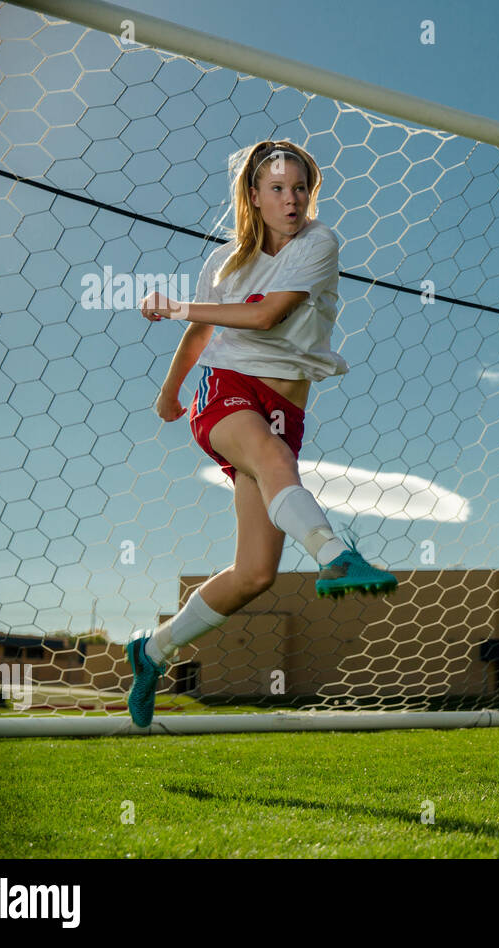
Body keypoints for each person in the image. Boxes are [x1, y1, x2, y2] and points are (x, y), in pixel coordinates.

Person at [128, 139, 395, 728]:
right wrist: (171, 392)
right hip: (227, 390)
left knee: (255, 574)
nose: (291, 199)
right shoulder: (226, 264)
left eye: (300, 188)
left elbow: (267, 314)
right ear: (254, 195)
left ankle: (152, 651)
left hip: (284, 407)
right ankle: (336, 556)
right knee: (273, 457)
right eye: (277, 188)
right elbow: (202, 337)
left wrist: (176, 308)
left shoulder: (319, 245)